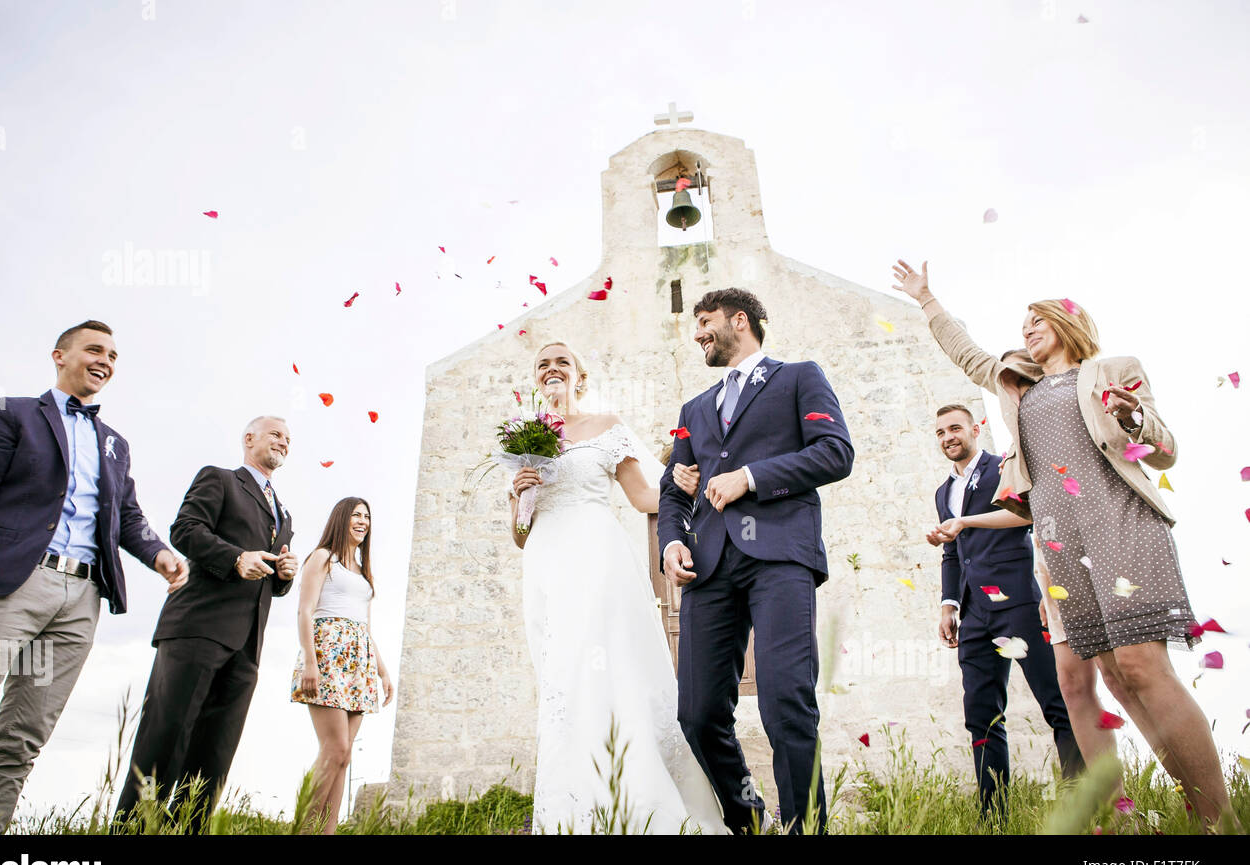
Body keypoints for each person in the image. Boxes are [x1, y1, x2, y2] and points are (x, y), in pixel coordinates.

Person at [892, 259, 1235, 829]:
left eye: (1037, 319)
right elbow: (965, 350)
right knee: (1114, 682)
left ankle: (1216, 819)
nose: (1026, 329)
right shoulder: (1013, 381)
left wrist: (1134, 421)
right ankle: (1119, 821)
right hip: (1055, 534)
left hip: (1118, 517)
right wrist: (927, 299)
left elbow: (1164, 449)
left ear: (1066, 322)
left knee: (1141, 666)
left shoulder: (1114, 370)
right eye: (1022, 323)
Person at [0, 319, 188, 834]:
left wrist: (160, 555)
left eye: (113, 355)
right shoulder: (8, 413)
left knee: (22, 738)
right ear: (59, 356)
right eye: (94, 349)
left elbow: (126, 515)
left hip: (80, 602)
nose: (105, 360)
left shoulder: (114, 444)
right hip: (9, 588)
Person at [508, 341, 728, 834]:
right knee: (563, 678)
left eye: (562, 360)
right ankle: (577, 807)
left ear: (579, 377)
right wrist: (519, 495)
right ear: (535, 380)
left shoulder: (607, 427)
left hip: (596, 555)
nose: (552, 369)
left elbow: (643, 496)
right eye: (543, 363)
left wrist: (690, 484)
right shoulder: (525, 441)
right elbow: (520, 536)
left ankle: (641, 802)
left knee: (606, 664)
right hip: (545, 565)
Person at [658, 289, 855, 835]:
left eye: (704, 322)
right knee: (696, 714)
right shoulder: (692, 410)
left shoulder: (798, 378)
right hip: (709, 567)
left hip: (780, 558)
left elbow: (836, 452)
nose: (697, 333)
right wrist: (671, 541)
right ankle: (749, 816)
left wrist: (750, 477)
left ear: (737, 320)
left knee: (786, 699)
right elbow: (674, 489)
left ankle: (804, 825)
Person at [114, 416, 297, 831]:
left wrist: (284, 573)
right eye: (275, 434)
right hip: (197, 629)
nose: (284, 442)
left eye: (288, 439)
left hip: (247, 645)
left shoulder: (283, 513)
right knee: (165, 739)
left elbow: (271, 583)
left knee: (215, 755)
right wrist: (236, 557)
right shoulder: (220, 479)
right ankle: (133, 829)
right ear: (249, 439)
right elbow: (185, 530)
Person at [925, 404, 1083, 813]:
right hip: (974, 616)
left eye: (955, 428)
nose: (948, 438)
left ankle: (1080, 804)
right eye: (940, 432)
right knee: (981, 716)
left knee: (1056, 704)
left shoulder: (1003, 468)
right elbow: (952, 554)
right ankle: (993, 814)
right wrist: (948, 605)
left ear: (976, 428)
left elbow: (1025, 516)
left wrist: (966, 522)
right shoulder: (944, 493)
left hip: (1018, 605)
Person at [290, 497, 392, 834]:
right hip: (329, 655)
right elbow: (305, 610)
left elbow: (364, 626)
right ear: (341, 519)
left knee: (345, 756)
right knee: (334, 748)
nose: (362, 521)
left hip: (358, 662)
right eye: (355, 515)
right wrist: (310, 661)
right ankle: (305, 829)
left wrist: (382, 670)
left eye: (366, 516)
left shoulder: (363, 573)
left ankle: (327, 831)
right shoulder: (322, 558)